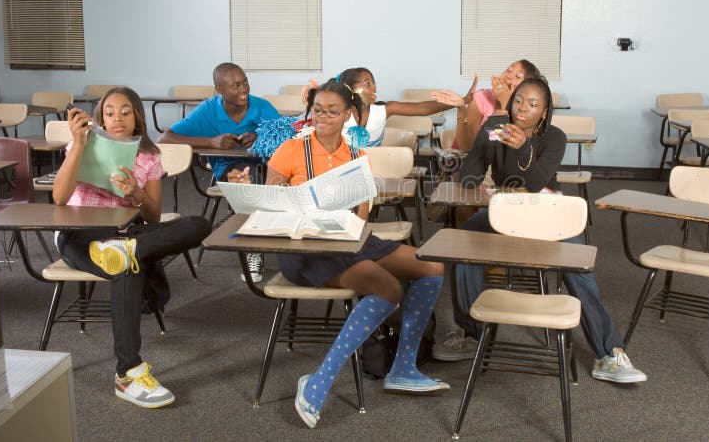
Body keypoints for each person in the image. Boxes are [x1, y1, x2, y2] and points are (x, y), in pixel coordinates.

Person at [228, 79, 448, 428]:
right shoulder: (290, 149)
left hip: (347, 238)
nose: (323, 117)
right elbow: (271, 203)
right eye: (317, 110)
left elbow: (362, 213)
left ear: (348, 114)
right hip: (303, 248)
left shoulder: (355, 155)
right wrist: (257, 188)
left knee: (432, 266)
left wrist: (355, 225)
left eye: (332, 111)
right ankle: (319, 381)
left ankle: (404, 367)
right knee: (387, 288)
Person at [431, 77, 647, 384]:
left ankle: (608, 353)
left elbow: (534, 183)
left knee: (579, 267)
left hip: (549, 216)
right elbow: (471, 173)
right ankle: (469, 334)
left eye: (533, 105)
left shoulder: (554, 137)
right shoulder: (494, 126)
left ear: (544, 112)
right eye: (519, 100)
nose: (522, 108)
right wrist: (474, 165)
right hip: (506, 212)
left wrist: (522, 148)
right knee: (465, 243)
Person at [53, 87, 212, 408]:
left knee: (199, 224)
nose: (117, 119)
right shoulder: (82, 143)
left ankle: (125, 249)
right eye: (109, 113)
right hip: (80, 232)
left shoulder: (149, 155)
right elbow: (58, 198)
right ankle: (128, 373)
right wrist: (80, 145)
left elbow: (153, 215)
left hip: (129, 232)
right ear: (100, 117)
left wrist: (136, 193)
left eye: (125, 111)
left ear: (137, 115)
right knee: (127, 264)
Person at [158, 62, 280, 283]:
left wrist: (260, 136)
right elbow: (165, 139)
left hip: (268, 167)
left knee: (261, 178)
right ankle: (252, 247)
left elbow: (286, 137)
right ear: (220, 90)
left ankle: (259, 235)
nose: (243, 89)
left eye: (245, 82)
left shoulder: (262, 107)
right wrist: (211, 142)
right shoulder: (208, 110)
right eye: (235, 85)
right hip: (229, 170)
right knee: (245, 181)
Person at [304, 67, 474, 147]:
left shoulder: (384, 109)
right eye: (367, 84)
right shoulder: (338, 112)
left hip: (375, 170)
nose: (374, 88)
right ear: (352, 89)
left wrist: (463, 100)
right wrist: (312, 99)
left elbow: (421, 108)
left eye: (373, 83)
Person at [432, 59, 543, 152]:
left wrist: (506, 104)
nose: (509, 76)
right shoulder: (481, 98)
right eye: (508, 70)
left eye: (518, 76)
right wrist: (462, 109)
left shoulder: (527, 110)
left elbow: (507, 147)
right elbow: (472, 146)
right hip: (467, 163)